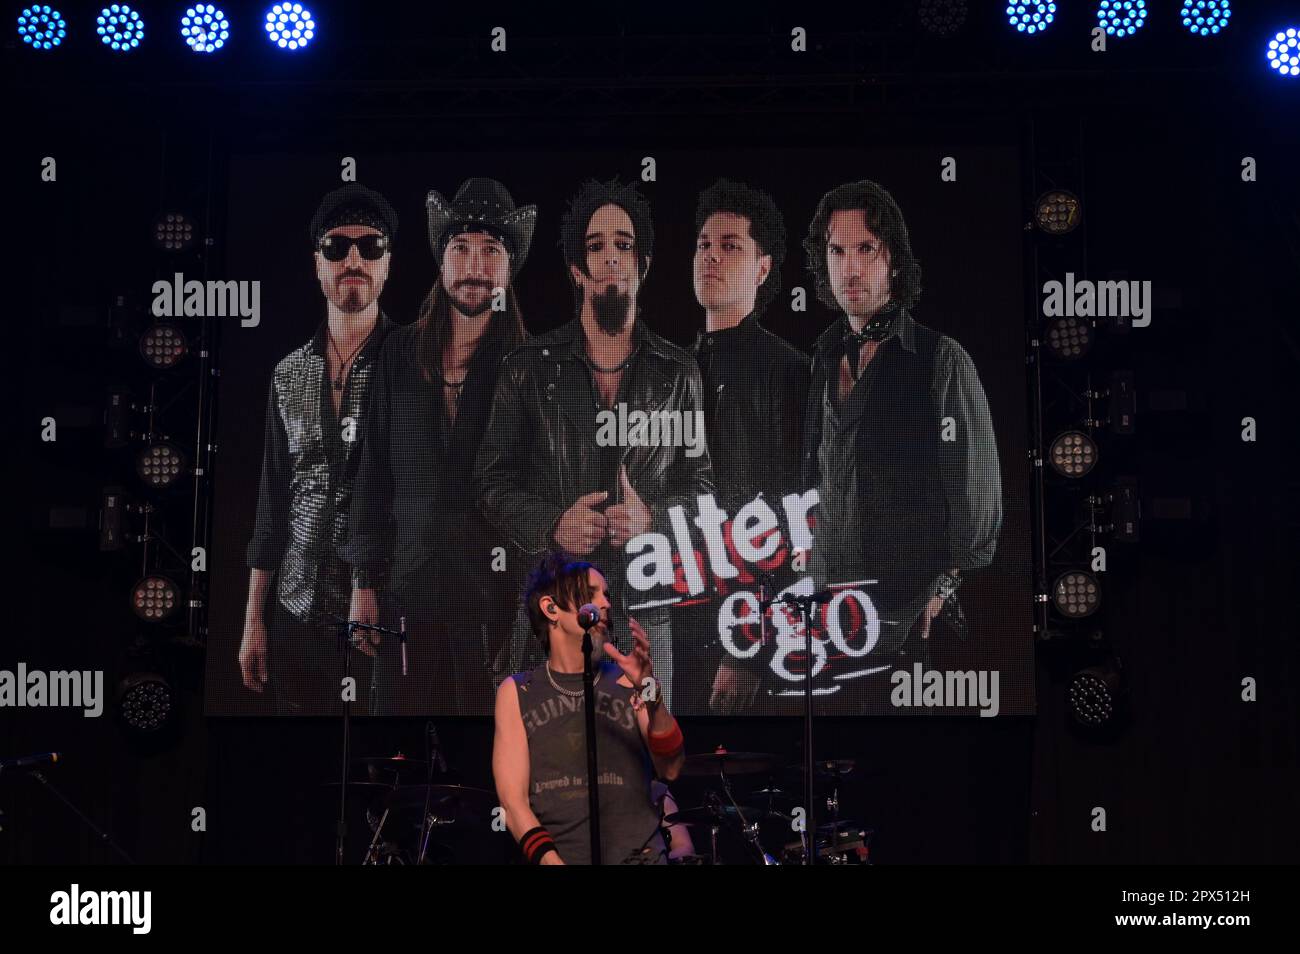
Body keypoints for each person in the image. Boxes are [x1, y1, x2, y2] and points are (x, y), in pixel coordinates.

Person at [474, 177, 715, 711]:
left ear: (643, 265)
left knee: (637, 776)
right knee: (552, 779)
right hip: (555, 609)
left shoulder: (679, 372)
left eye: (623, 245)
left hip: (643, 617)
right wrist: (553, 522)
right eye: (596, 246)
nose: (610, 258)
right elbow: (490, 486)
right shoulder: (527, 370)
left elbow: (702, 491)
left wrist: (652, 518)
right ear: (577, 269)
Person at [345, 178, 535, 715]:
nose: (474, 265)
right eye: (460, 248)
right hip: (408, 593)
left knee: (492, 765)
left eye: (491, 250)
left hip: (495, 605)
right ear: (441, 260)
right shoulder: (397, 356)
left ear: (509, 267)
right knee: (399, 759)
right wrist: (364, 582)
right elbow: (370, 476)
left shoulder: (534, 370)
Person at [800, 179, 1002, 680]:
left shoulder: (941, 359)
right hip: (826, 614)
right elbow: (813, 480)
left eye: (866, 248)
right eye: (837, 250)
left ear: (892, 260)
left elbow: (977, 498)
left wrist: (939, 591)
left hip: (906, 615)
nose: (850, 266)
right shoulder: (822, 359)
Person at [240, 184, 398, 714]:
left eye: (370, 246)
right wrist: (252, 622)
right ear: (316, 262)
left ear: (388, 262)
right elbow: (272, 501)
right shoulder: (289, 373)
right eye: (337, 247)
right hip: (298, 613)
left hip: (380, 612)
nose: (354, 259)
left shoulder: (412, 364)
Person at [690, 178, 810, 714]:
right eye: (703, 245)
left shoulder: (790, 373)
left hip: (745, 629)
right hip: (673, 610)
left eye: (729, 246)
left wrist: (741, 647)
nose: (711, 257)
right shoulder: (672, 366)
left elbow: (787, 516)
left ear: (762, 269)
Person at [491, 551, 686, 865]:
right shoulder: (517, 691)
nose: (606, 604)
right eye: (592, 594)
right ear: (551, 608)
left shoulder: (626, 682)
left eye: (607, 595)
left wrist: (652, 694)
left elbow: (671, 769)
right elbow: (513, 804)